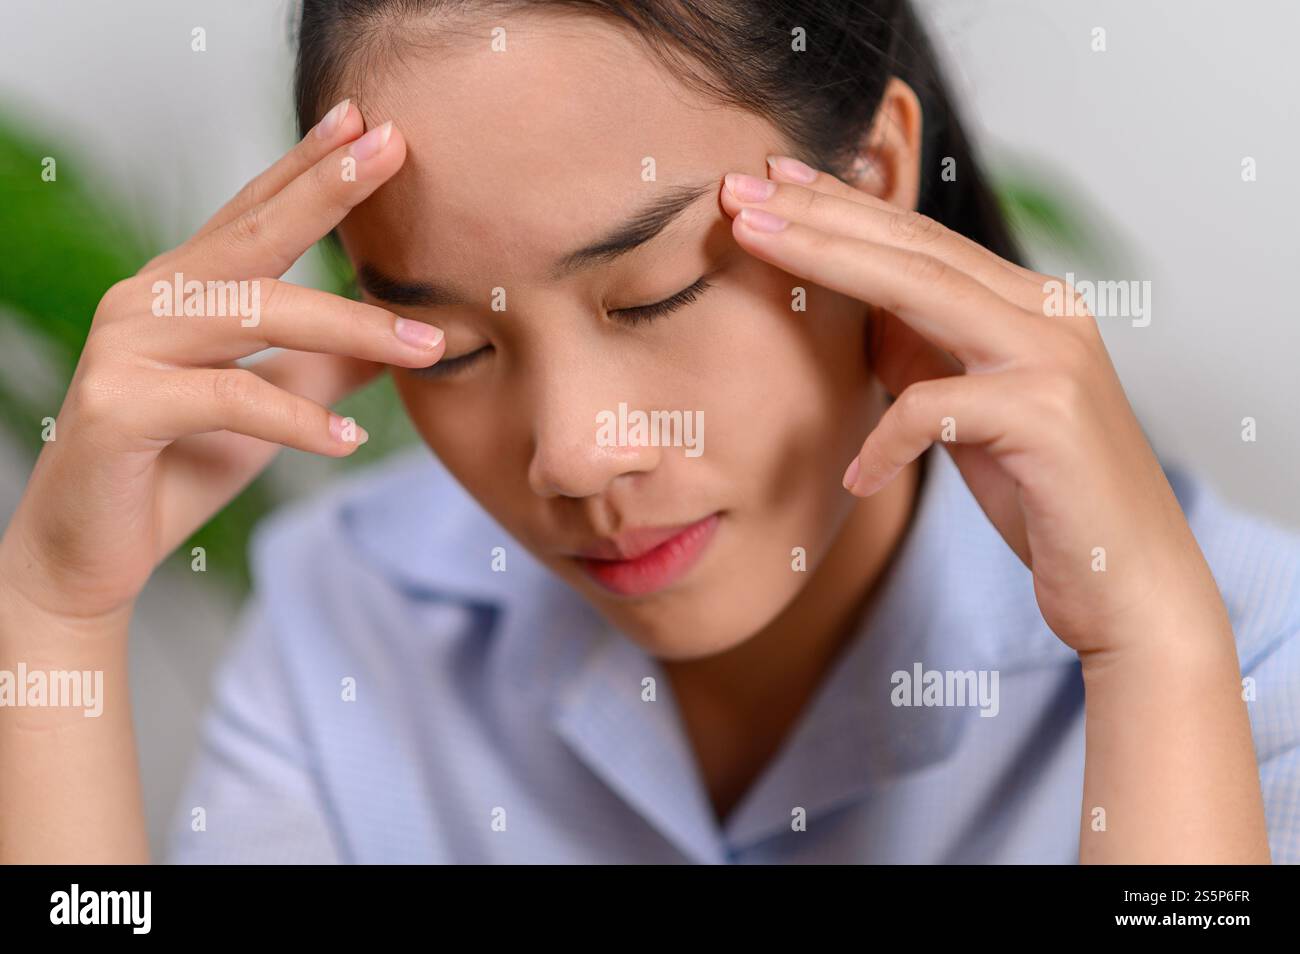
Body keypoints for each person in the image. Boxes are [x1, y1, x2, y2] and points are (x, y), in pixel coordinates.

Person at [1, 0, 1295, 864]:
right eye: (451, 344)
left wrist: (1159, 655)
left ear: (877, 187)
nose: (572, 452)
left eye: (656, 293)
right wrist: (55, 615)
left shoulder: (1253, 652)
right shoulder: (354, 615)